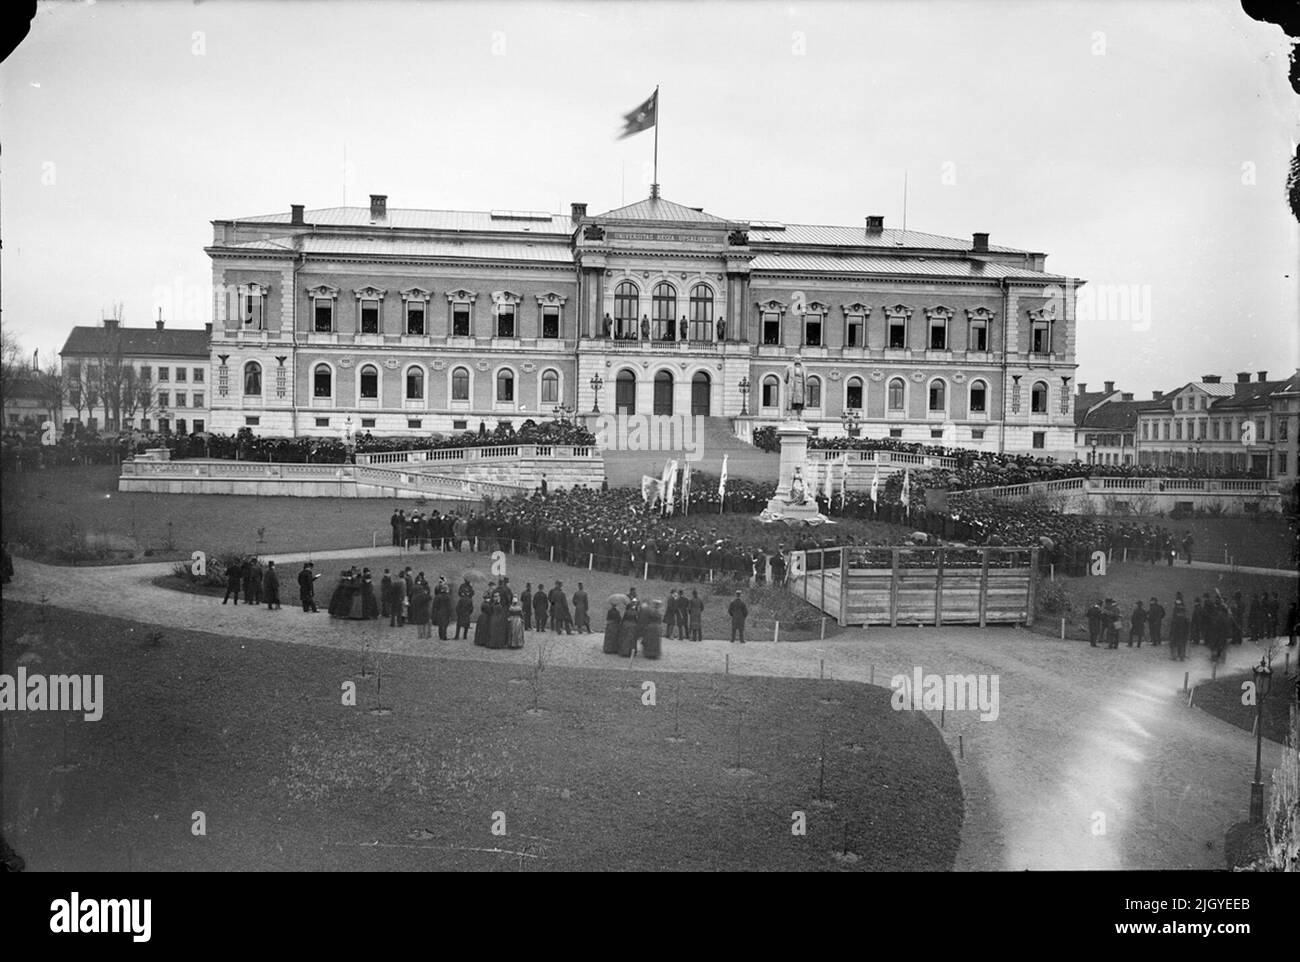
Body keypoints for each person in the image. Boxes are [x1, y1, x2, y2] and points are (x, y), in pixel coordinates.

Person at [1170, 592, 1188, 661]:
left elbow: (1175, 616)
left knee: (1174, 641)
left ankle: (1175, 656)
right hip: (1182, 627)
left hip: (1177, 626)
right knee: (1181, 642)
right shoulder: (1183, 606)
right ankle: (1181, 656)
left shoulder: (1177, 606)